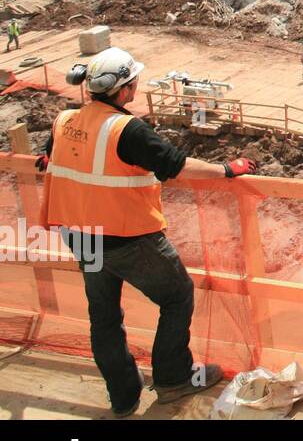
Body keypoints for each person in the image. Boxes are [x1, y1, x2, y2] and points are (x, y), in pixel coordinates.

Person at [38, 47, 260, 417]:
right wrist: (226, 168)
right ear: (124, 90)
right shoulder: (128, 130)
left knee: (104, 317)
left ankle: (123, 398)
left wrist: (48, 158)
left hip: (80, 235)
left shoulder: (65, 121)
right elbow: (175, 165)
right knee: (177, 296)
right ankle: (173, 377)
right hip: (127, 238)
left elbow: (55, 154)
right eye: (133, 82)